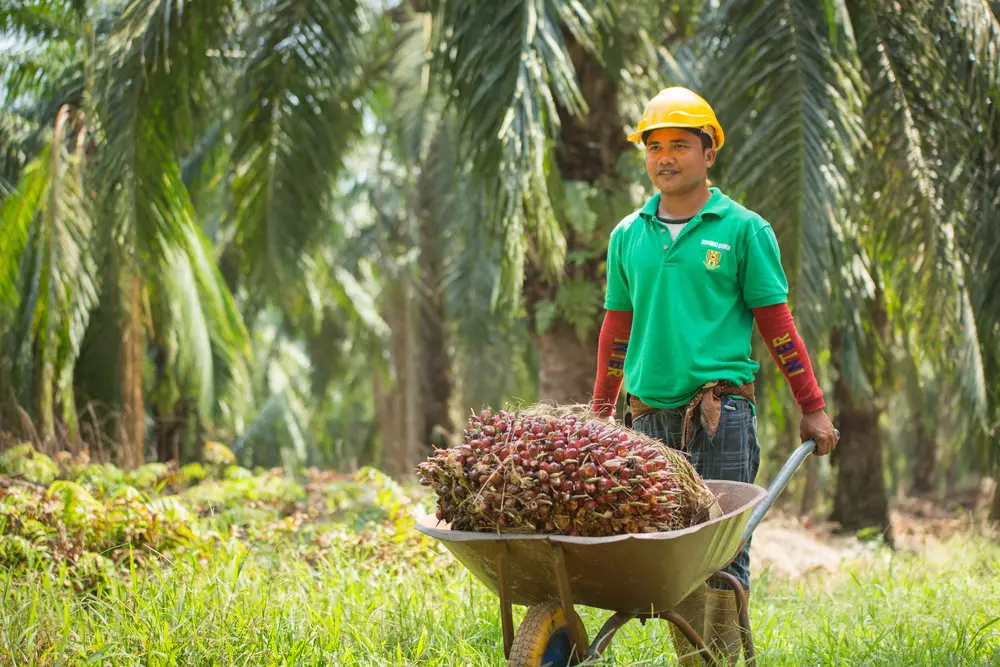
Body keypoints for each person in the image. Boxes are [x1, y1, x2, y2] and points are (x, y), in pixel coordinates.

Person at [589, 86, 839, 665]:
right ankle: (694, 660)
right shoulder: (629, 235)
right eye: (654, 146)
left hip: (720, 414)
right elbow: (615, 335)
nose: (665, 157)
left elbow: (777, 326)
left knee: (722, 554)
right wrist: (600, 416)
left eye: (680, 144)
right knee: (661, 556)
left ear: (709, 153)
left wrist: (813, 404)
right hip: (646, 418)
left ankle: (719, 661)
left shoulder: (743, 229)